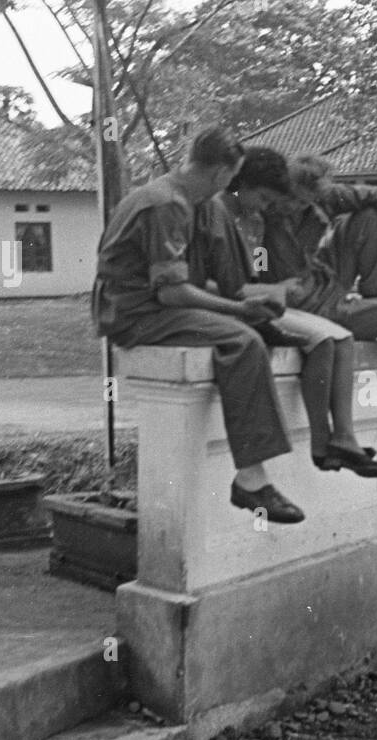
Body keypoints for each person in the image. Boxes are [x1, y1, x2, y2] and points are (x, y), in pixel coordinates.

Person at [92, 125, 306, 524]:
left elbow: (208, 271)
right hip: (133, 312)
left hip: (158, 301)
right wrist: (239, 312)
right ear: (223, 173)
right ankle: (251, 480)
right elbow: (173, 294)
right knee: (242, 341)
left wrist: (248, 298)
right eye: (233, 177)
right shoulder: (165, 203)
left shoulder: (198, 201)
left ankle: (256, 323)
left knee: (247, 326)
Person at [191, 160, 377, 479]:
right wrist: (263, 290)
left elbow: (254, 271)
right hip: (231, 308)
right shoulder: (213, 215)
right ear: (246, 186)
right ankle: (321, 444)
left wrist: (273, 287)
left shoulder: (253, 219)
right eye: (266, 199)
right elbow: (199, 281)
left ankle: (343, 437)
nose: (269, 207)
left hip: (259, 301)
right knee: (322, 341)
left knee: (343, 339)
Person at [235, 147, 377, 351]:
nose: (292, 205)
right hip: (303, 303)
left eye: (302, 202)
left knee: (371, 216)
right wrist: (269, 286)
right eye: (290, 196)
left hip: (321, 283)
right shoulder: (262, 214)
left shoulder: (325, 199)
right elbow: (258, 260)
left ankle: (374, 299)